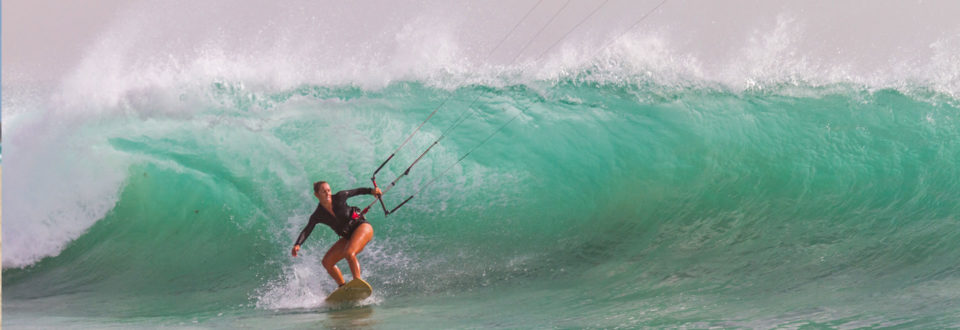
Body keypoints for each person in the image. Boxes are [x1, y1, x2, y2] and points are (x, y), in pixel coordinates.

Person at [291, 181, 382, 287]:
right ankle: (343, 286)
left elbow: (357, 191)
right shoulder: (318, 214)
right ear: (317, 195)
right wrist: (298, 244)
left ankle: (357, 282)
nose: (327, 193)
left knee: (349, 253)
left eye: (328, 190)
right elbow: (307, 229)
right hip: (348, 236)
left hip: (362, 227)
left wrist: (371, 191)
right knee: (327, 262)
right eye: (323, 191)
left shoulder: (340, 196)